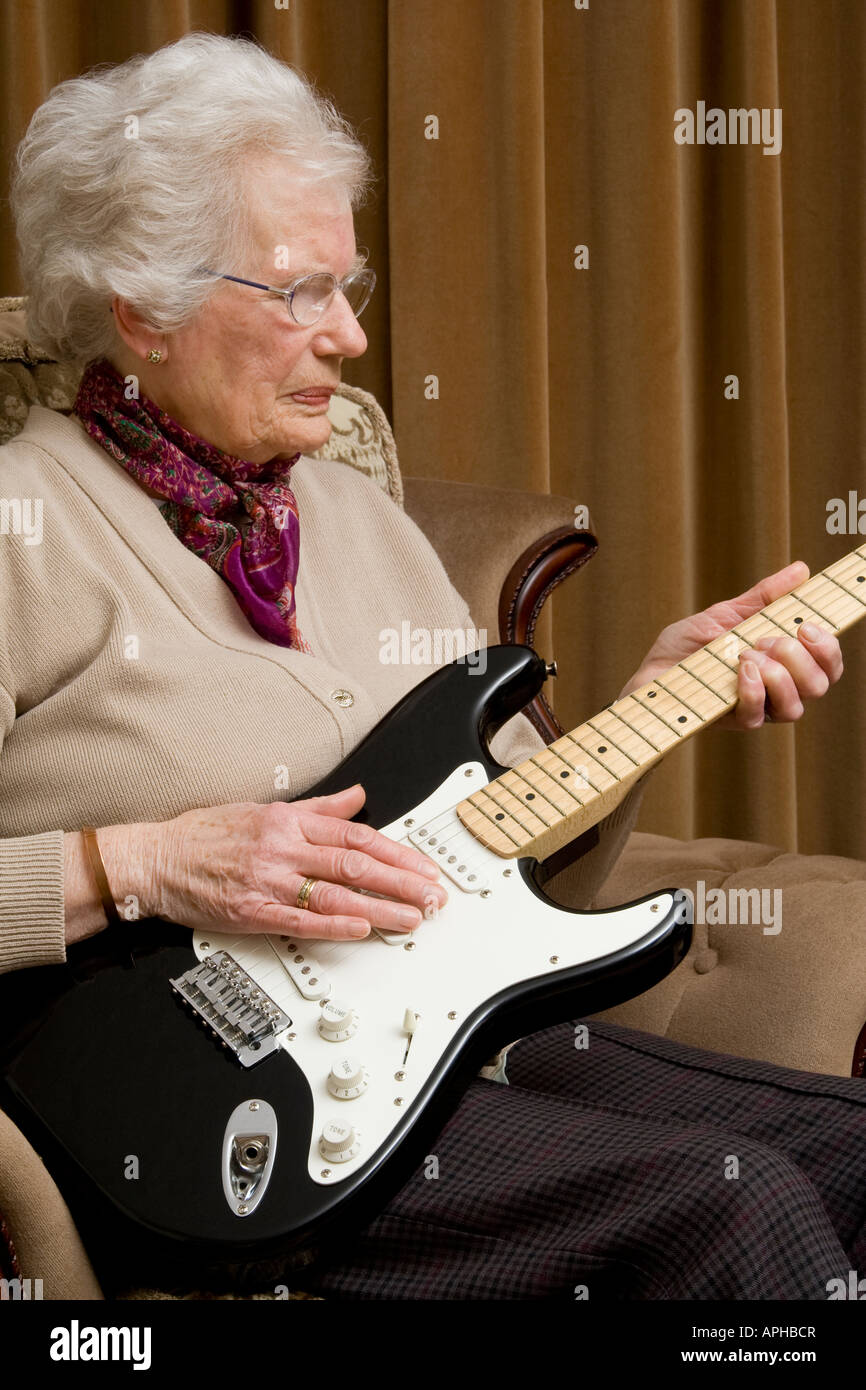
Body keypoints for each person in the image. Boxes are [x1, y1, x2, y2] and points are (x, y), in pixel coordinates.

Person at [1, 32, 864, 1301]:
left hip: (444, 1047)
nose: (350, 337)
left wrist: (652, 702)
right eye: (301, 292)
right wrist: (137, 862)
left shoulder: (353, 515)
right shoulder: (22, 525)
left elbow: (503, 847)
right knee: (736, 1217)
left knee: (848, 1150)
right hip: (194, 1112)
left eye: (353, 286)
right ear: (144, 304)